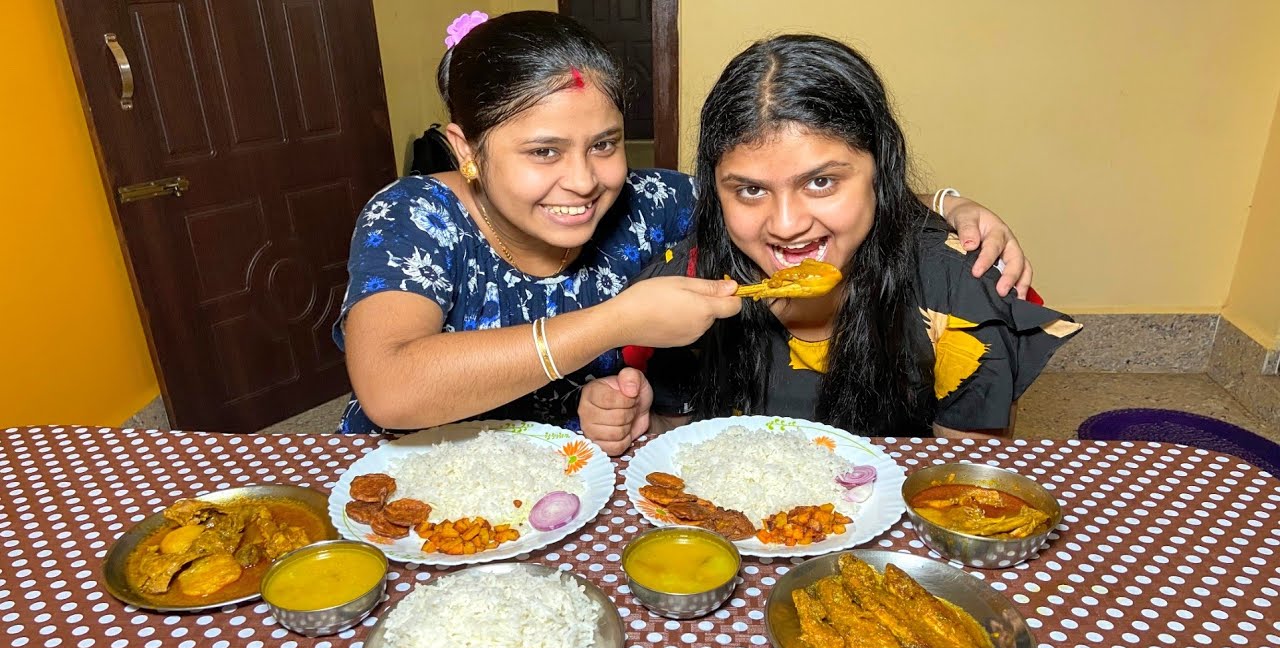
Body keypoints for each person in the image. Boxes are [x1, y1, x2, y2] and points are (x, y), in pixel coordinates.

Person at [336, 11, 1035, 435]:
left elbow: (779, 178)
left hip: (579, 485)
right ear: (465, 149)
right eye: (544, 151)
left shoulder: (647, 200)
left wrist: (946, 207)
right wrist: (616, 322)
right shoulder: (412, 217)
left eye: (605, 143)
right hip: (412, 483)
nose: (583, 181)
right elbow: (391, 389)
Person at [578, 34, 1082, 455]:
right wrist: (635, 423)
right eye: (751, 189)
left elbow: (960, 481)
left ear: (880, 172)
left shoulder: (956, 293)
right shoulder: (688, 288)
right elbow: (678, 440)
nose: (787, 224)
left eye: (821, 182)